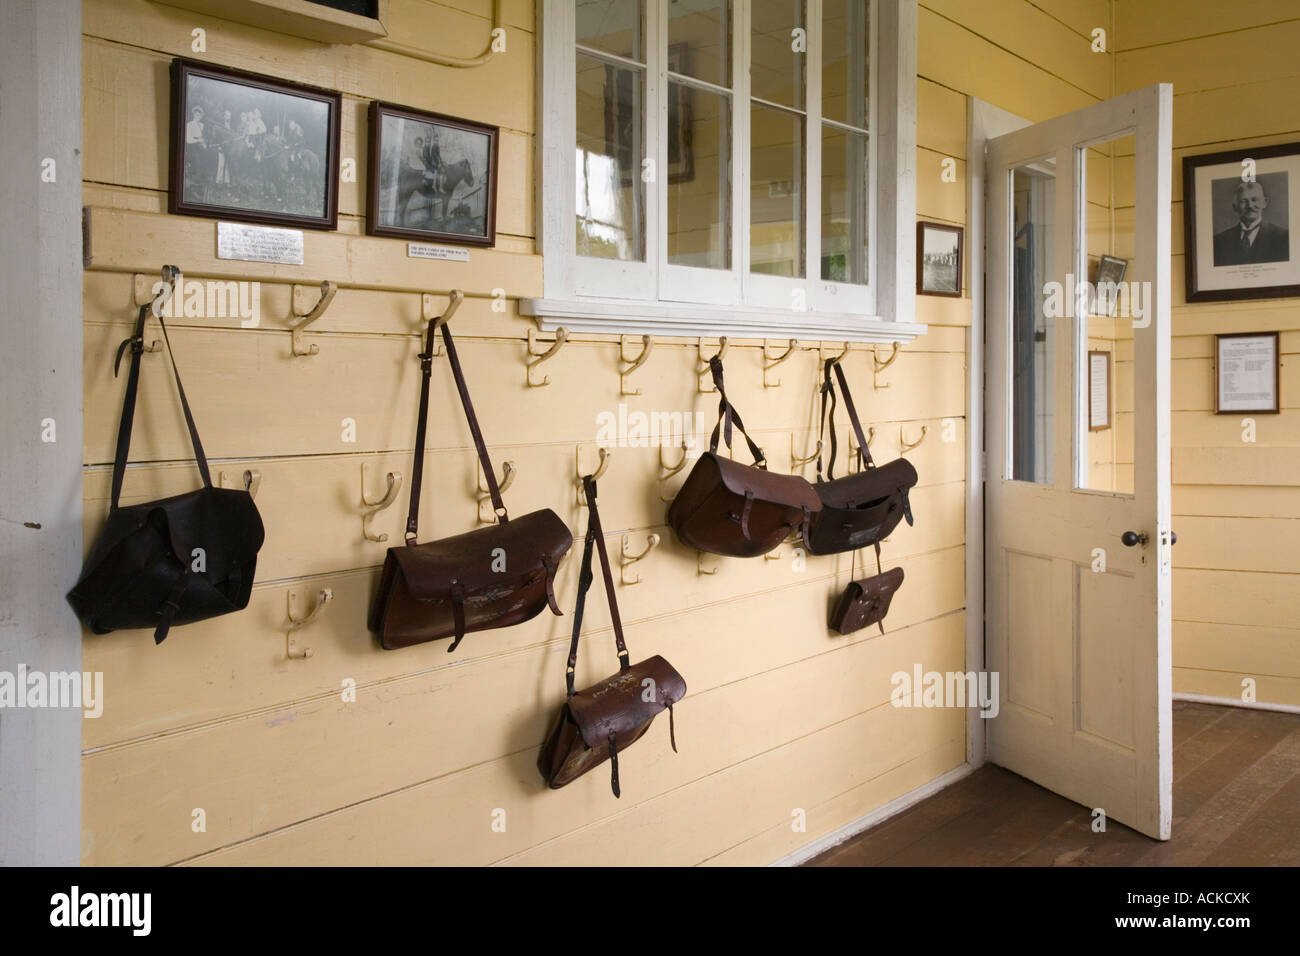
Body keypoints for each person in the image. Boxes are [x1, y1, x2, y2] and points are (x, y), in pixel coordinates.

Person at [1212, 180, 1290, 266]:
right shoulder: (1219, 241)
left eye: (1254, 200)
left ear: (1264, 202)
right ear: (1235, 207)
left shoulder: (1283, 238)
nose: (1250, 205)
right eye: (1243, 201)